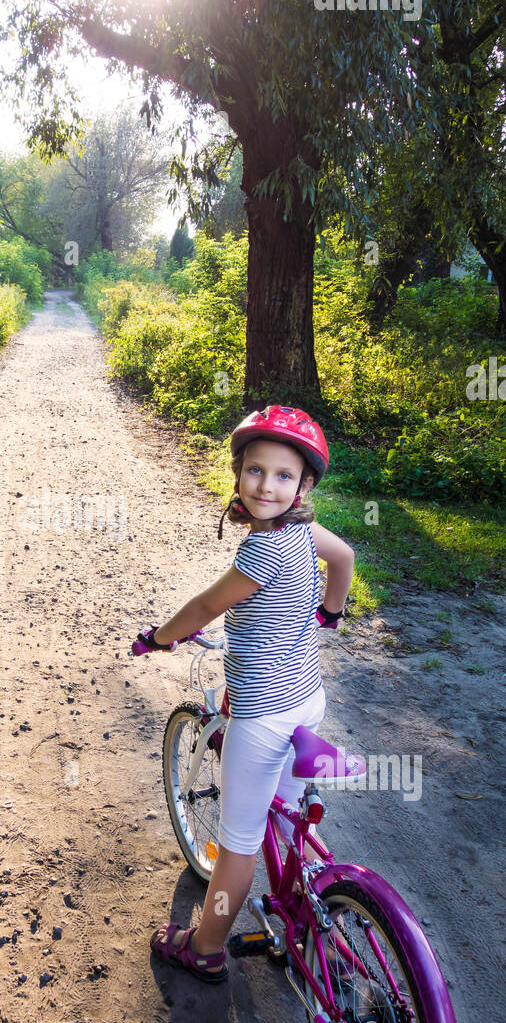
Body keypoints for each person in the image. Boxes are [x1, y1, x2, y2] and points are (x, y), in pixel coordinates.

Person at [132, 405, 355, 983]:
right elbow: (344, 558)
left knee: (238, 845)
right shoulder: (305, 528)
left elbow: (209, 606)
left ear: (303, 484)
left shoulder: (262, 550)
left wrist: (159, 638)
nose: (265, 485)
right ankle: (312, 908)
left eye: (283, 476)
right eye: (255, 470)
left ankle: (204, 947)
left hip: (261, 718)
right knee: (285, 812)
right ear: (238, 474)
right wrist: (329, 611)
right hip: (306, 699)